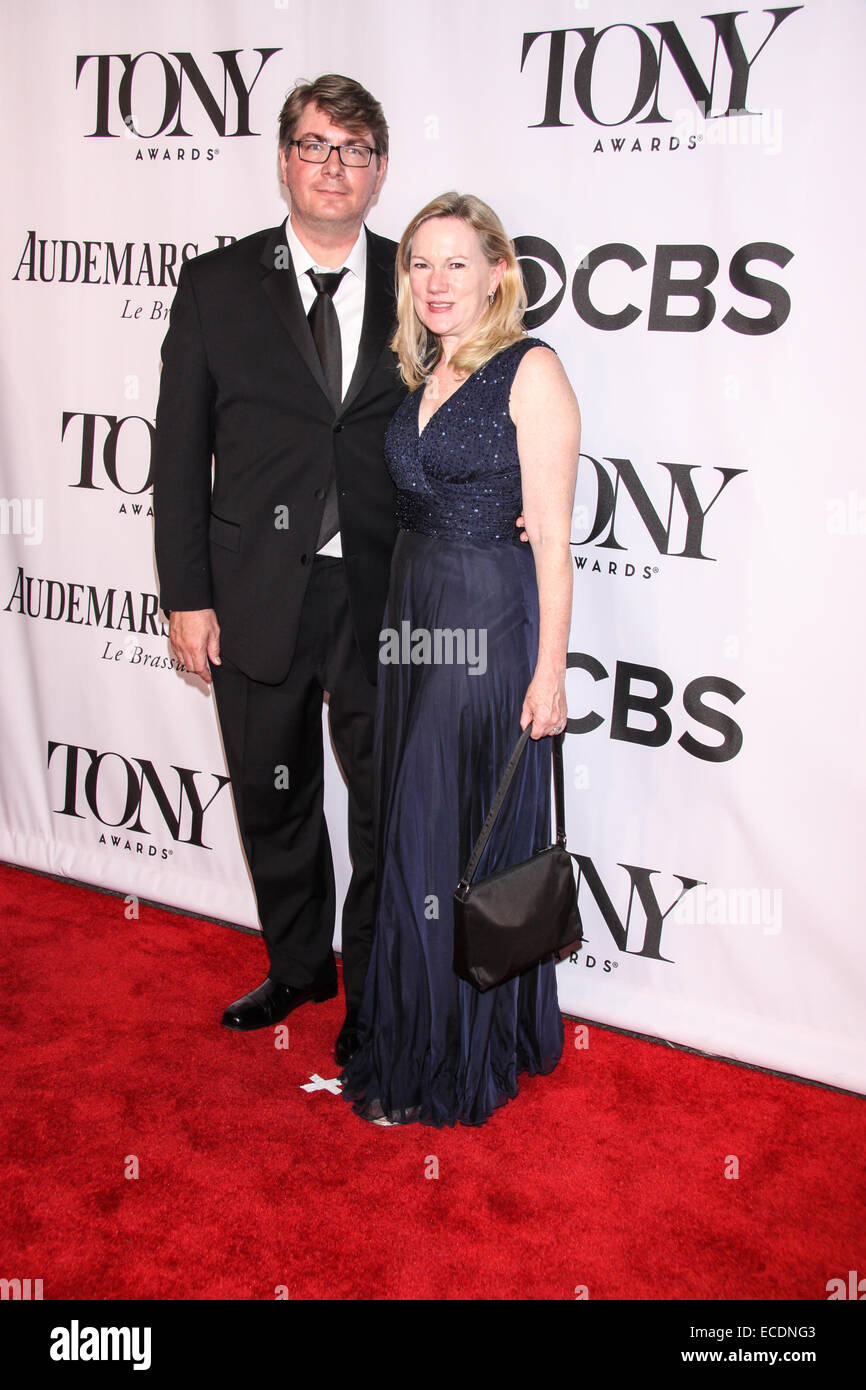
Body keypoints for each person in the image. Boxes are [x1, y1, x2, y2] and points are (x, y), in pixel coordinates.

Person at [152, 75, 406, 1065]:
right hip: (256, 590)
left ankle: (377, 985)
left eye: (352, 149)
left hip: (383, 594)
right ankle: (300, 964)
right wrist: (186, 596)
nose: (332, 166)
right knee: (272, 793)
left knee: (385, 802)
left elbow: (471, 412)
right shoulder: (217, 285)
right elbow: (179, 453)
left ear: (378, 170)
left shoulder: (418, 279)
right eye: (314, 145)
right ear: (283, 162)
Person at [340, 192, 581, 1127]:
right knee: (415, 826)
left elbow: (552, 537)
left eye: (456, 263)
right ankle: (418, 1032)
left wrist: (550, 671)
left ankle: (451, 1057)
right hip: (415, 618)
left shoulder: (533, 370)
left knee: (448, 835)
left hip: (485, 626)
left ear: (496, 274)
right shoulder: (422, 371)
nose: (437, 283)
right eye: (420, 264)